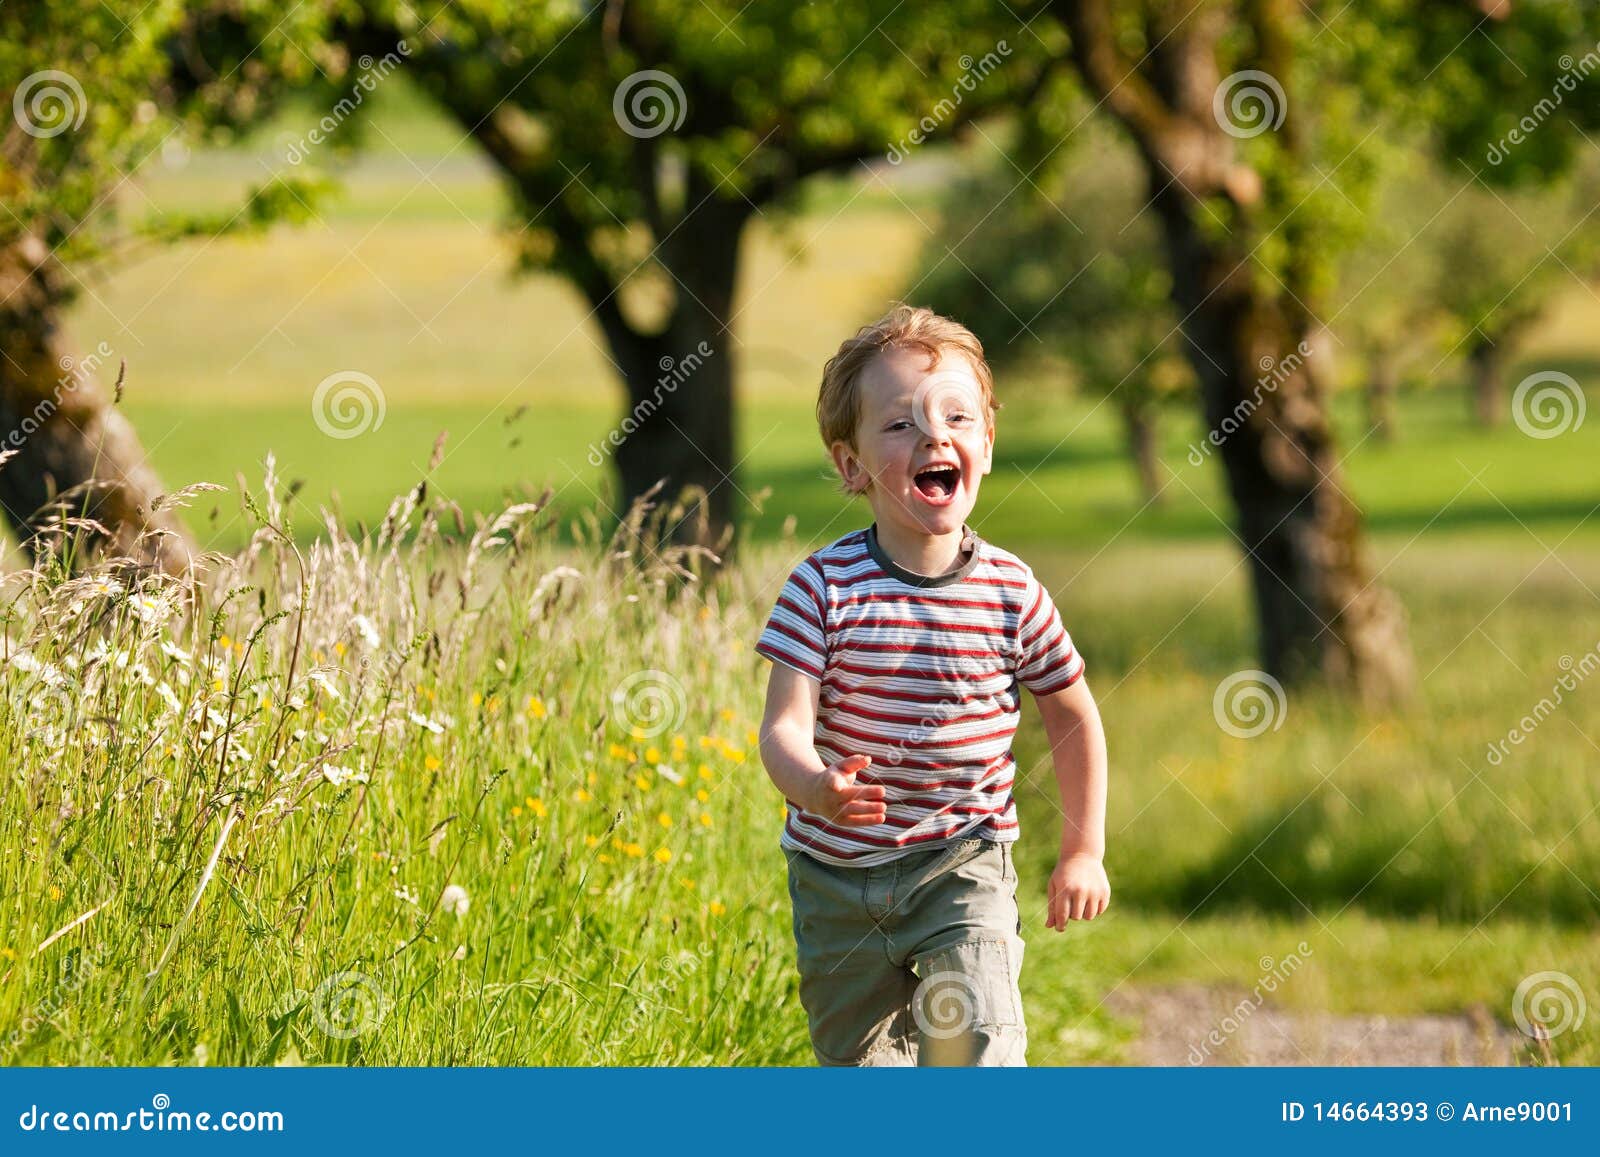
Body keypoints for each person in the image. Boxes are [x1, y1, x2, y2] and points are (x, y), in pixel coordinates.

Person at [755, 304, 1111, 1066]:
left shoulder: (1012, 591)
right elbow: (783, 725)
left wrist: (1083, 847)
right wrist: (813, 783)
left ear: (985, 441)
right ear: (851, 465)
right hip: (836, 879)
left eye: (956, 415)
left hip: (964, 863)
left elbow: (1073, 716)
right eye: (900, 424)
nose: (933, 435)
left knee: (976, 1046)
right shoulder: (821, 588)